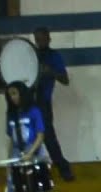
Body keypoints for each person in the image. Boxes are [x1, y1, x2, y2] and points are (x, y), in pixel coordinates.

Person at [0, 81, 46, 192]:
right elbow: (11, 139)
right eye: (9, 95)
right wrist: (9, 161)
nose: (12, 97)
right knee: (11, 191)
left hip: (32, 150)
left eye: (14, 93)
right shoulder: (11, 114)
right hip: (17, 151)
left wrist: (31, 153)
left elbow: (40, 135)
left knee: (35, 191)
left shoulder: (34, 111)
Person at [32, 28, 73, 182]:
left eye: (43, 39)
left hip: (43, 102)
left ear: (49, 39)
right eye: (37, 39)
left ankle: (63, 167)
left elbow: (65, 80)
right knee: (31, 138)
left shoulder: (54, 56)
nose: (40, 42)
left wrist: (51, 72)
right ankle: (39, 171)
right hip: (29, 101)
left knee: (48, 137)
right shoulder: (31, 55)